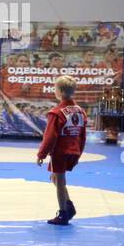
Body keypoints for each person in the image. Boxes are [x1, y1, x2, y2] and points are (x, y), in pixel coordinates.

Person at [36, 75, 87, 226]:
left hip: (60, 151)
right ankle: (69, 205)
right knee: (55, 177)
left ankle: (63, 213)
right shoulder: (80, 111)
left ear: (59, 92)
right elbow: (82, 135)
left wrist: (41, 154)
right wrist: (79, 152)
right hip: (74, 150)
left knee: (59, 180)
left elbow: (50, 136)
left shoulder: (56, 112)